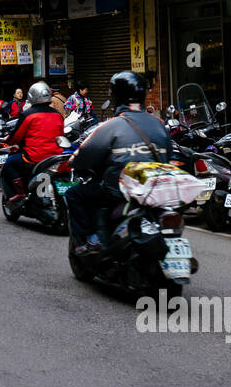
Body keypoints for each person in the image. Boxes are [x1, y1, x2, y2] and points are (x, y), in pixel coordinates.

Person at [65, 72, 173, 257]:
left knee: (74, 194)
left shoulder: (111, 125)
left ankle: (89, 241)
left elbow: (86, 154)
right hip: (155, 188)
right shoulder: (159, 124)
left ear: (116, 95)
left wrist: (74, 162)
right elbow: (168, 154)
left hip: (119, 189)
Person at [0, 82, 65, 203]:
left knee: (9, 162)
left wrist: (8, 140)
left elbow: (16, 137)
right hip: (56, 157)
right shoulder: (58, 115)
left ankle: (20, 193)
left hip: (34, 157)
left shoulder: (28, 114)